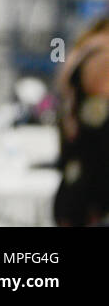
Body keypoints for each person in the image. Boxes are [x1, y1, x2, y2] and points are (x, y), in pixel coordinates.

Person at [54, 14, 109, 226]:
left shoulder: (82, 49)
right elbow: (101, 91)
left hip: (77, 144)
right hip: (95, 144)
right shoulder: (103, 50)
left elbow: (64, 87)